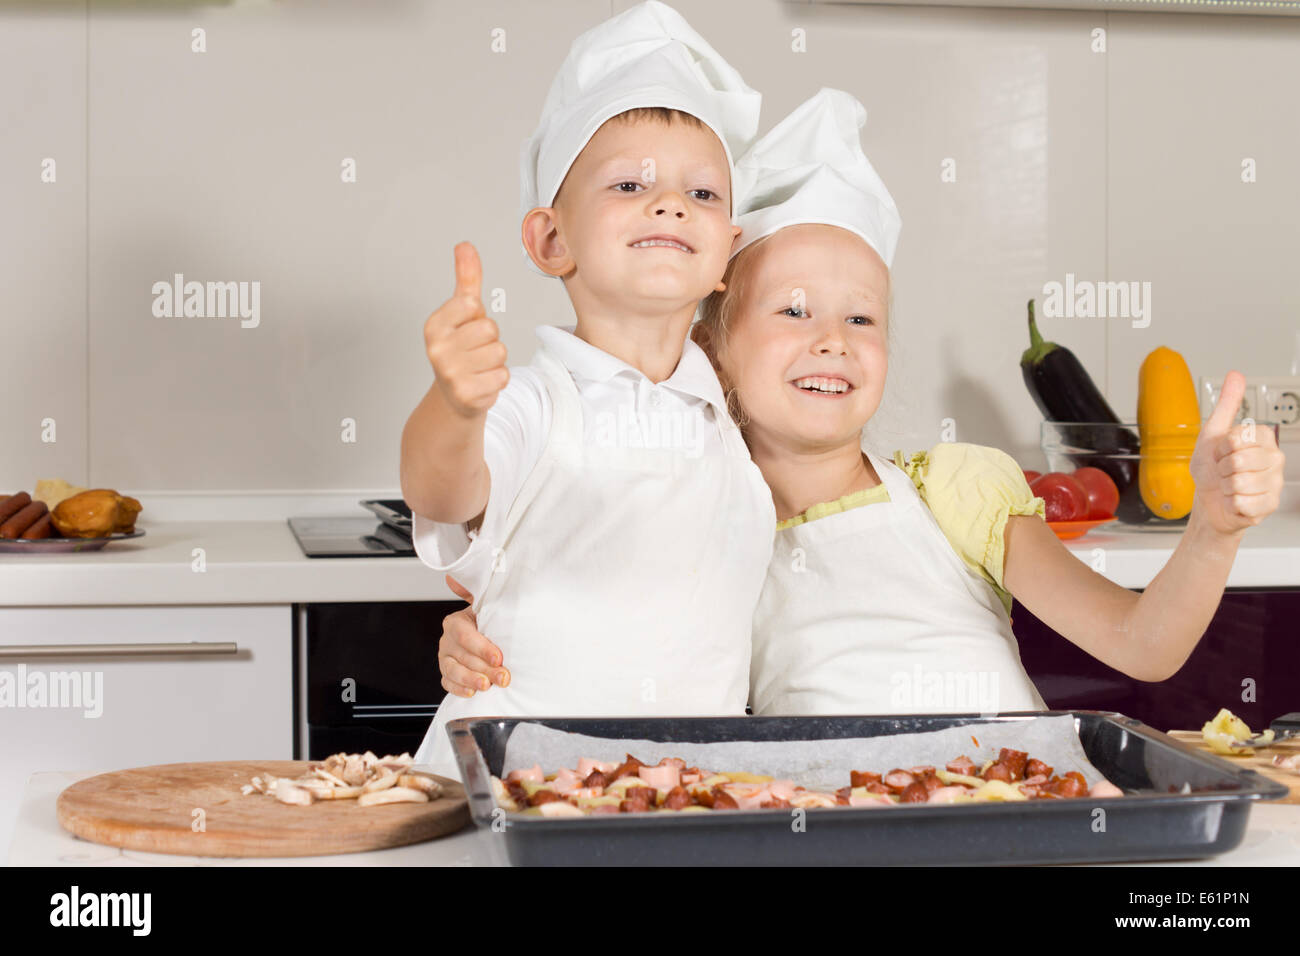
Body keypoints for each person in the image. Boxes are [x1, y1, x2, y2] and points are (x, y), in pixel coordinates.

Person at [435, 88, 1286, 719]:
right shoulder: (696, 518)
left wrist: (1214, 529)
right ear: (712, 349)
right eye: (793, 311)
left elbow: (1145, 645)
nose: (832, 338)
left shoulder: (954, 489)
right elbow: (583, 613)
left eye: (862, 317)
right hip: (828, 832)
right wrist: (492, 643)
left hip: (1022, 810)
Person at [399, 1, 776, 780]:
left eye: (703, 194)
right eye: (629, 184)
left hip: (679, 796)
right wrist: (457, 404)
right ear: (550, 240)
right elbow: (442, 490)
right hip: (515, 785)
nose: (669, 202)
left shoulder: (736, 423)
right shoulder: (532, 402)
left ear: (726, 258)